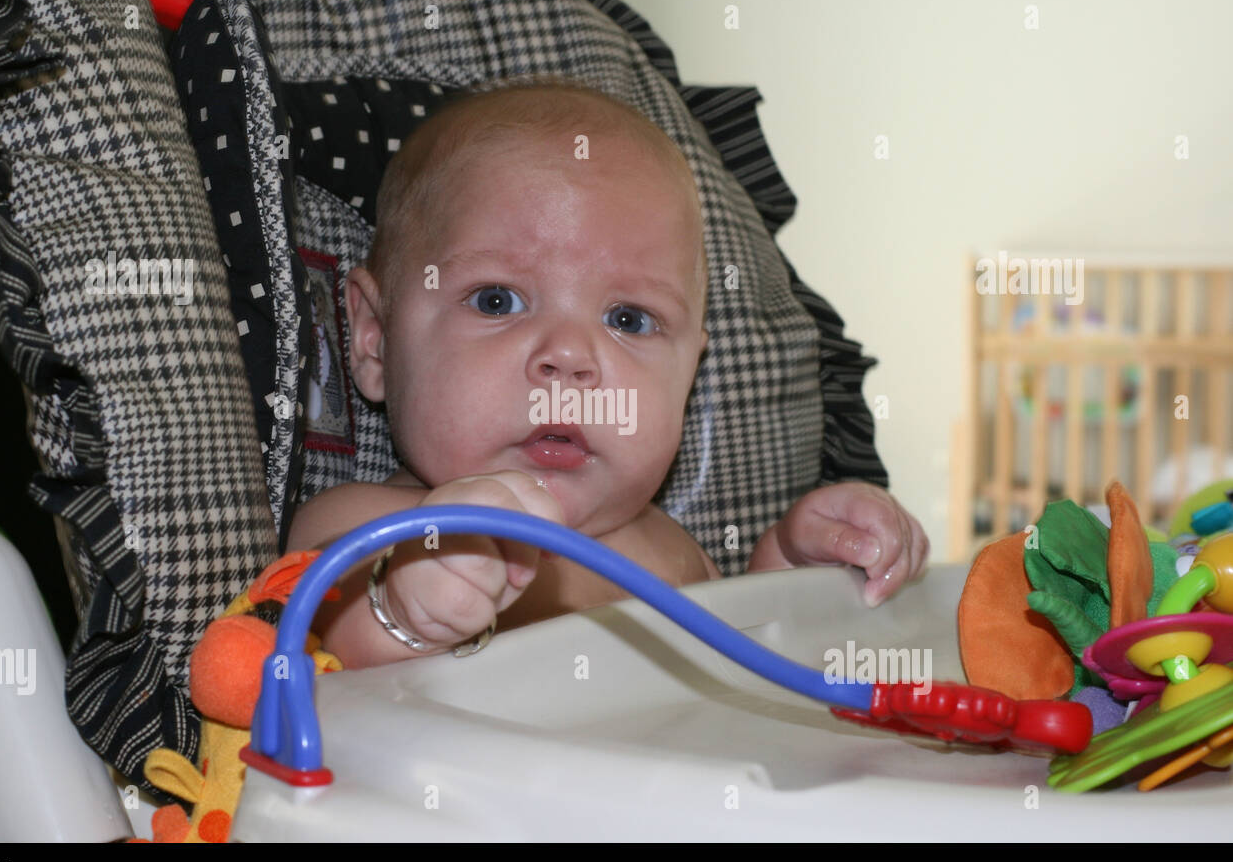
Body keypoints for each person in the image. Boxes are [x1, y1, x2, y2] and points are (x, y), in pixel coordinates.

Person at [286, 78, 928, 669]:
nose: (569, 357)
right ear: (374, 340)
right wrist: (405, 609)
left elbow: (750, 682)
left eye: (628, 319)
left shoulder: (681, 558)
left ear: (688, 374)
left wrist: (798, 571)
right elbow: (320, 655)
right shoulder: (362, 524)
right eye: (496, 300)